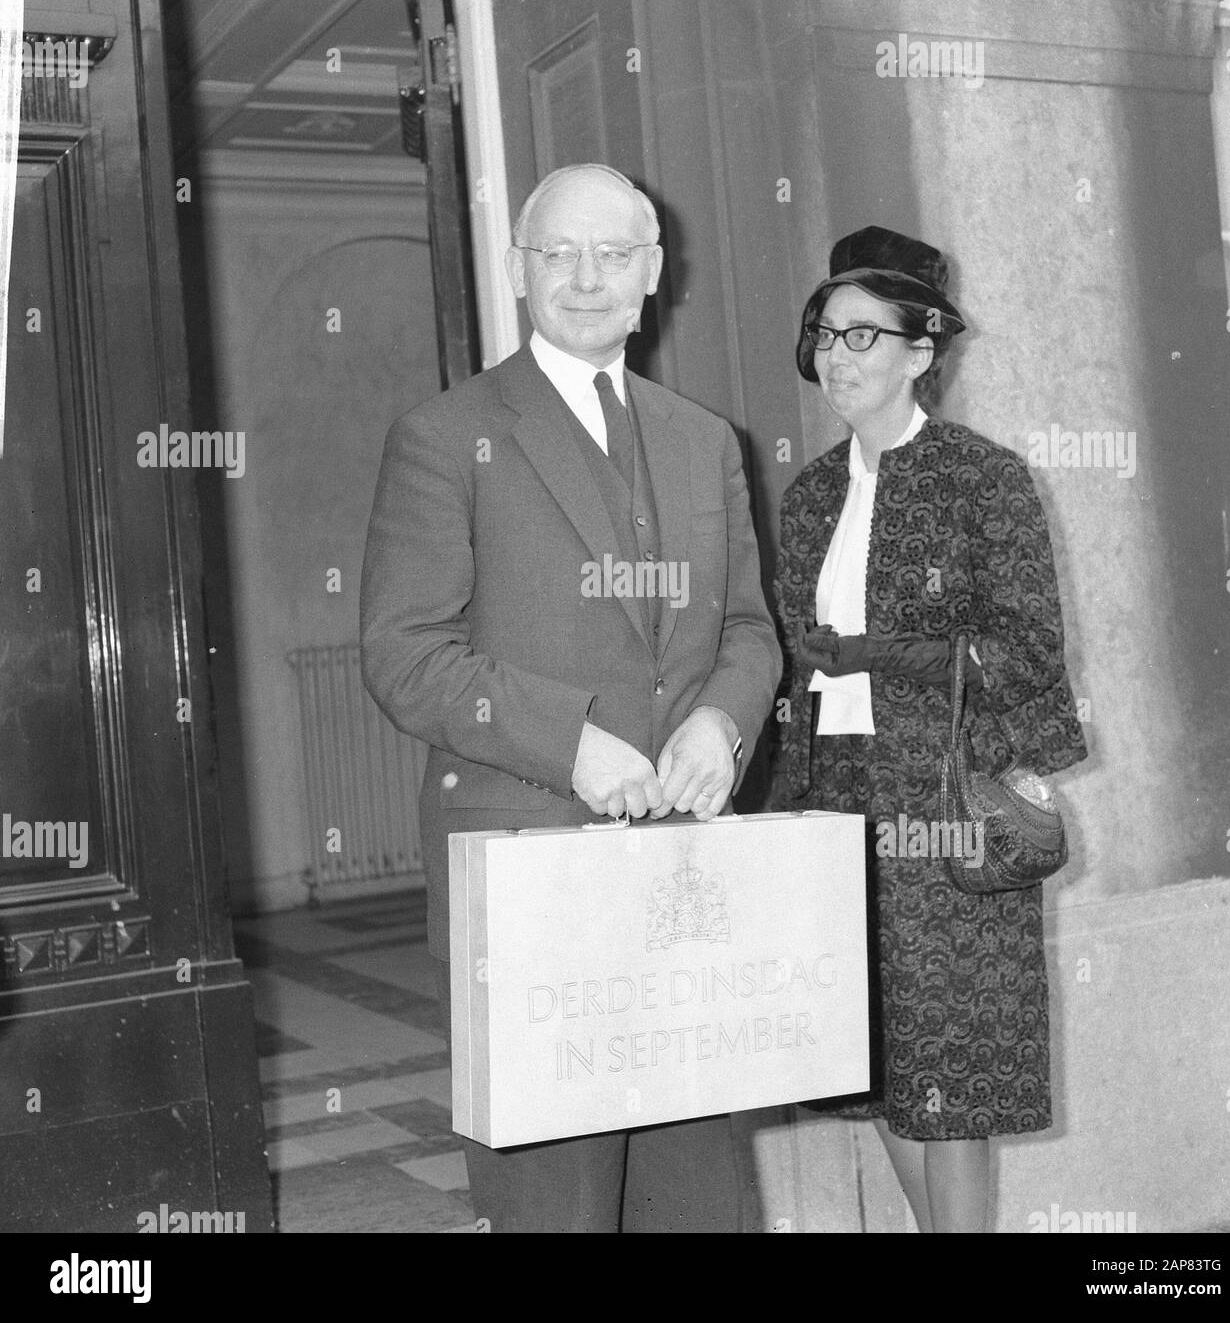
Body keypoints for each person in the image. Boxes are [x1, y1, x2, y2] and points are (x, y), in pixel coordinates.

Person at [360, 163, 782, 1233]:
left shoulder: (703, 439)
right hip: (527, 878)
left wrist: (719, 723)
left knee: (697, 1206)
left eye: (612, 254)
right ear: (518, 269)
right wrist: (574, 744)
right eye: (559, 253)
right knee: (558, 1208)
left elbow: (747, 629)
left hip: (685, 885)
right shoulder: (444, 436)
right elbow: (404, 654)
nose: (586, 278)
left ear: (653, 273)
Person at [771, 226, 1087, 1233]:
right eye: (825, 334)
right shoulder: (807, 496)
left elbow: (1026, 652)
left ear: (920, 351)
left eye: (862, 336)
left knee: (954, 1072)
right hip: (837, 800)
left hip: (946, 804)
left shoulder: (981, 477)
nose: (835, 356)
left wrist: (886, 652)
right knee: (873, 1063)